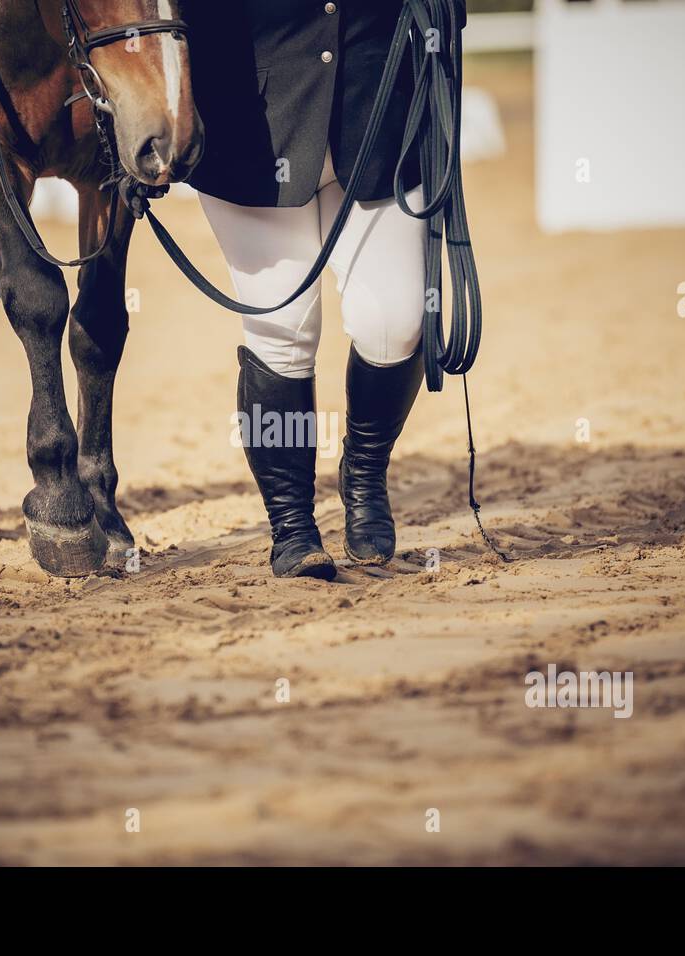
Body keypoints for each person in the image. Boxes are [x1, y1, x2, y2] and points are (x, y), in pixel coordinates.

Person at [184, 0, 466, 580]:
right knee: (282, 331)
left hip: (379, 105)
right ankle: (292, 525)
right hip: (251, 119)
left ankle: (365, 472)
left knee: (397, 321)